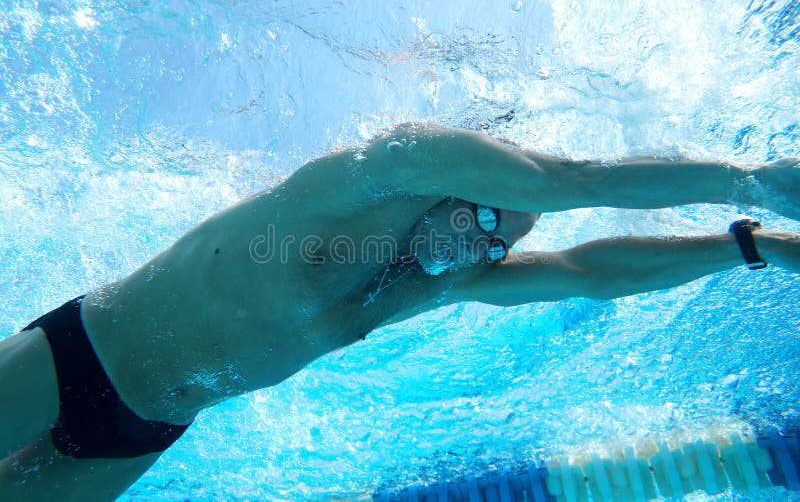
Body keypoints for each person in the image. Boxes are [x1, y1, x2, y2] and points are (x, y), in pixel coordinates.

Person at [0, 123, 798, 499]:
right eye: (486, 223)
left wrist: (747, 244)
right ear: (460, 188)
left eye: (496, 247)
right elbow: (576, 180)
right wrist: (749, 181)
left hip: (141, 436)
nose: (477, 252)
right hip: (81, 352)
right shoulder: (379, 174)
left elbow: (590, 273)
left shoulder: (434, 276)